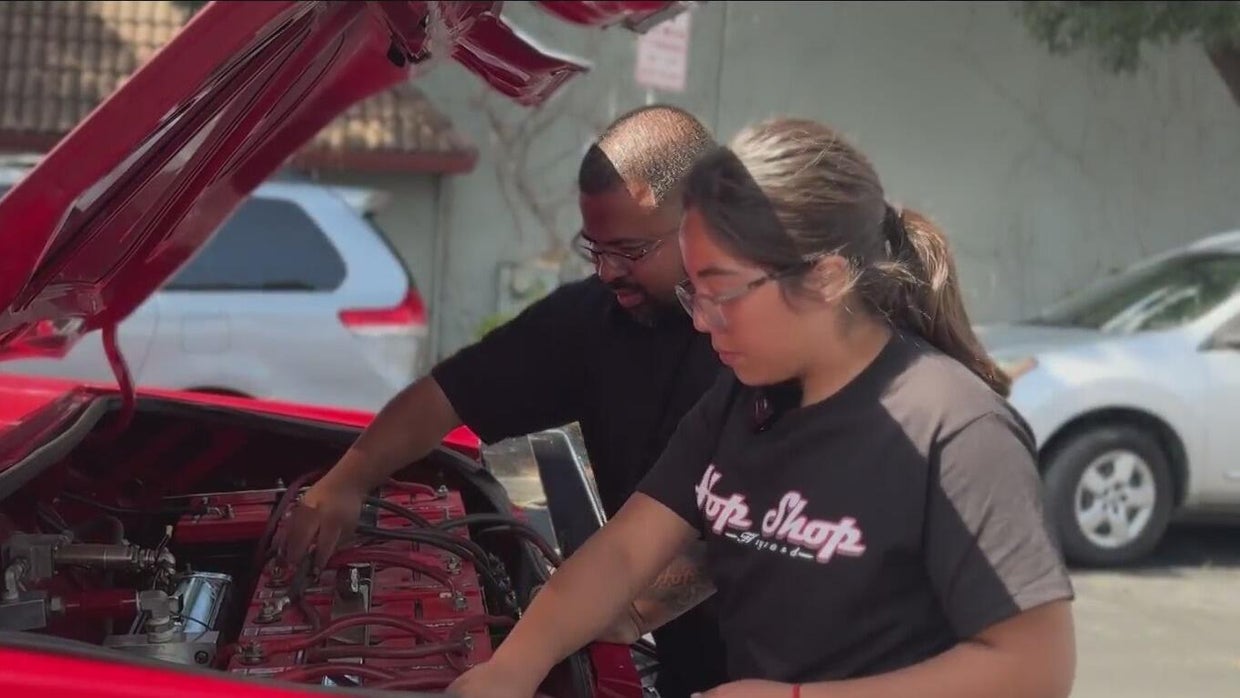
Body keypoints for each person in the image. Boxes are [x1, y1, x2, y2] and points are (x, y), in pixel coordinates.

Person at [445, 116, 1077, 698]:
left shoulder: (955, 430)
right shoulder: (742, 400)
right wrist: (513, 666)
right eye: (693, 290)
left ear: (827, 278)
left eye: (721, 292)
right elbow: (623, 553)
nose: (701, 323)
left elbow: (1034, 667)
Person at [275, 105, 730, 698]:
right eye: (594, 248)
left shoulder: (764, 344)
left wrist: (627, 611)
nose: (609, 271)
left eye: (630, 250)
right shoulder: (591, 321)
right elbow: (450, 393)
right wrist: (347, 480)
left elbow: (754, 528)